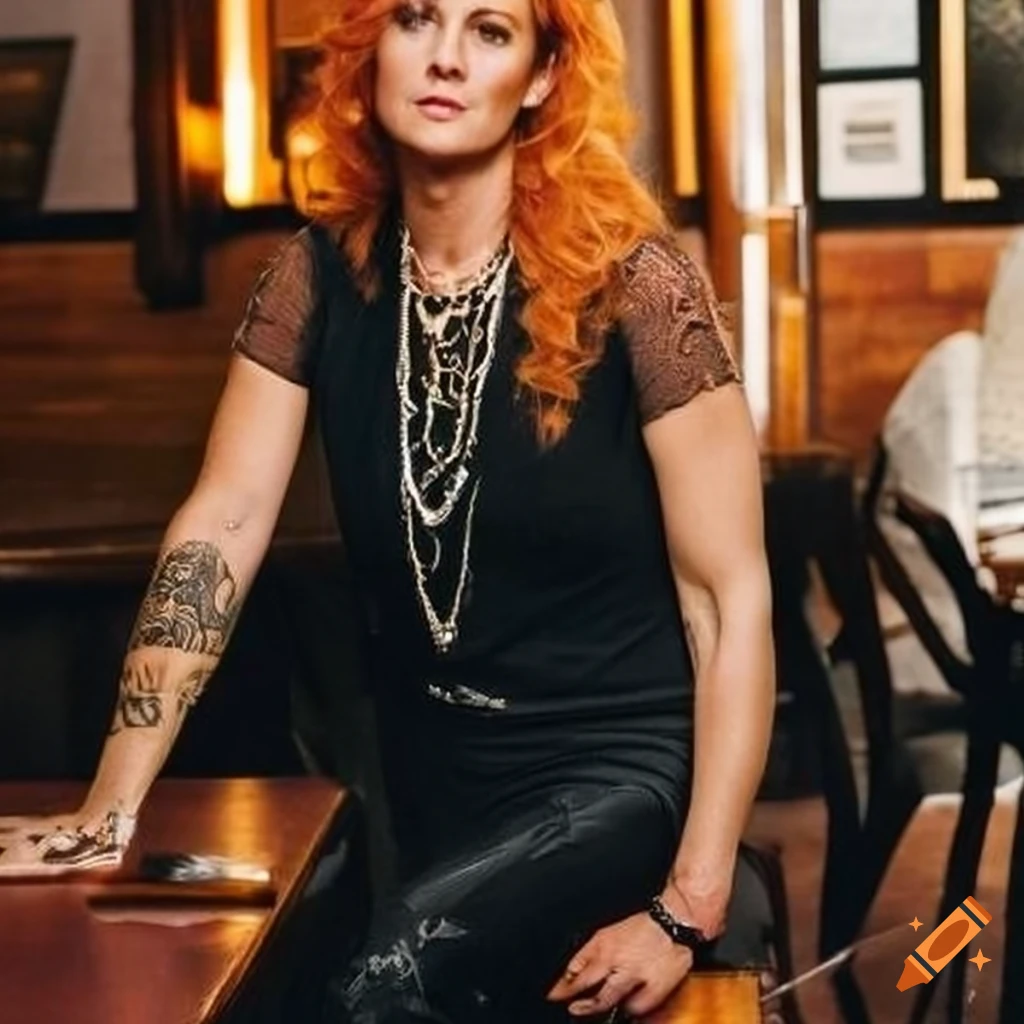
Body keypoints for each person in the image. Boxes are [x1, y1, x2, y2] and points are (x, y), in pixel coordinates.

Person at [0, 1, 775, 1020]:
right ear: (373, 50)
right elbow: (220, 531)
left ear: (543, 76)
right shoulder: (315, 277)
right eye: (417, 18)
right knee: (250, 972)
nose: (447, 56)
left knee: (374, 989)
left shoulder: (638, 285)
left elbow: (728, 602)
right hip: (423, 779)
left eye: (491, 30)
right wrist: (109, 805)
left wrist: (688, 903)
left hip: (616, 775)